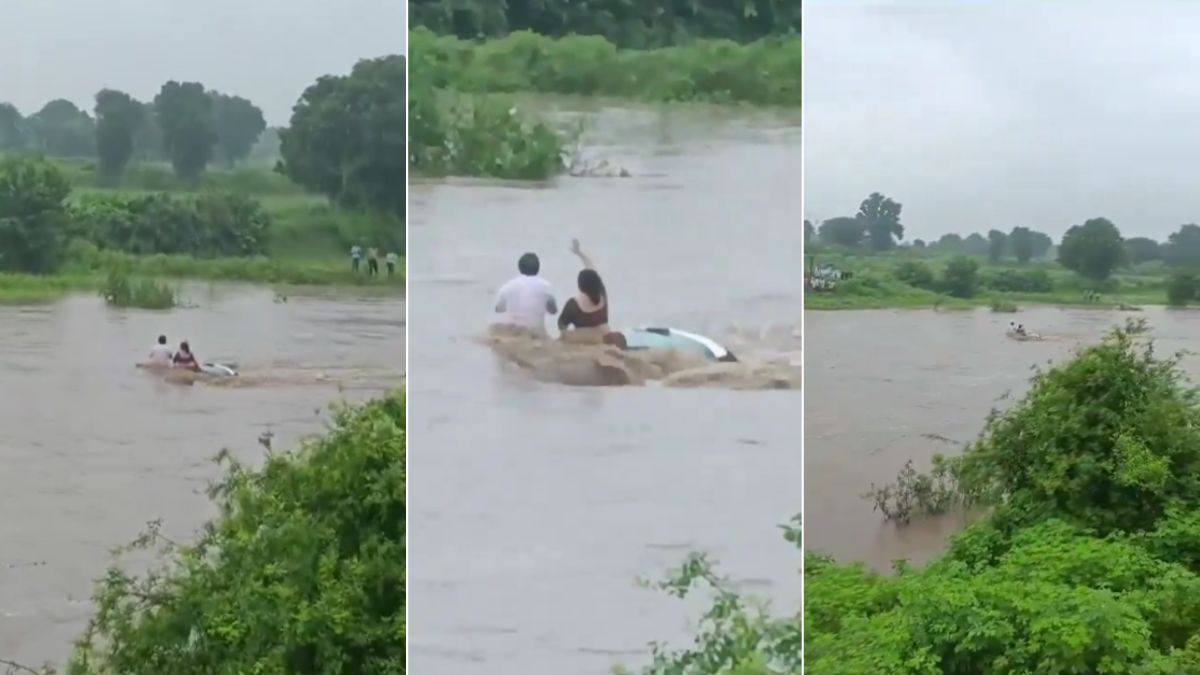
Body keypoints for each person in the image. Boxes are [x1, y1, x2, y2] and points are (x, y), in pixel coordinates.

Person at [558, 239, 624, 346]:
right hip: (604, 336)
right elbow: (591, 268)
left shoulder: (574, 303)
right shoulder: (602, 294)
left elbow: (561, 324)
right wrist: (579, 253)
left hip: (585, 340)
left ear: (580, 285)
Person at [494, 252, 557, 337]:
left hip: (512, 333)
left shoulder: (507, 286)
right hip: (536, 333)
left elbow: (498, 309)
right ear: (538, 268)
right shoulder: (546, 287)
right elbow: (553, 311)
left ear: (519, 267)